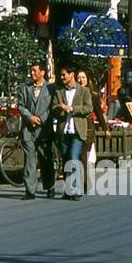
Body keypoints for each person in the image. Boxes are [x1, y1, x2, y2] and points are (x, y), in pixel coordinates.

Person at [52, 65, 94, 199]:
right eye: (61, 75)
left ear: (72, 75)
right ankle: (68, 189)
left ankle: (75, 189)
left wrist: (72, 109)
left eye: (64, 74)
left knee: (73, 157)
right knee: (66, 160)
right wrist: (60, 108)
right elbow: (53, 107)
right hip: (64, 130)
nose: (62, 77)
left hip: (77, 131)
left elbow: (89, 108)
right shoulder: (59, 91)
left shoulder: (84, 91)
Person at [18, 64, 55, 198]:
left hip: (44, 129)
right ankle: (30, 190)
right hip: (28, 129)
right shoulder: (25, 88)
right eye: (31, 70)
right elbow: (21, 106)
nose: (32, 73)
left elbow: (52, 106)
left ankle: (50, 185)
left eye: (35, 70)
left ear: (43, 72)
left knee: (46, 158)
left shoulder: (51, 88)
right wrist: (30, 117)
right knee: (30, 160)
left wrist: (41, 119)